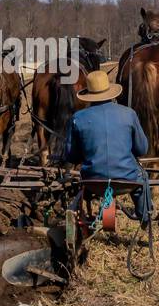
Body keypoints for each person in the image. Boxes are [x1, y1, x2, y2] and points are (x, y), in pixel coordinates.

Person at [59, 69, 150, 221]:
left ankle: (87, 212)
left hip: (92, 181)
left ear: (89, 94)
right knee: (143, 176)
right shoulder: (129, 114)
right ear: (110, 91)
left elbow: (71, 156)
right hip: (126, 180)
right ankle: (144, 215)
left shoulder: (77, 118)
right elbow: (142, 149)